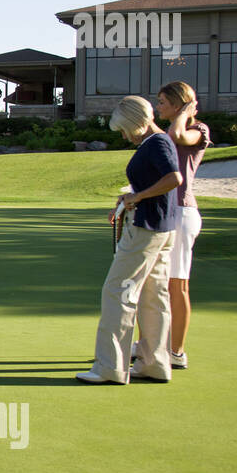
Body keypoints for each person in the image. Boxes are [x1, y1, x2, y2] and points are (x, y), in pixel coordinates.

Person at [77, 95, 183, 385]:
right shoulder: (157, 142)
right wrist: (129, 198)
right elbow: (156, 182)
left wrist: (137, 196)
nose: (124, 136)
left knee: (118, 292)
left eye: (124, 130)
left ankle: (110, 367)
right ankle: (153, 364)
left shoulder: (157, 142)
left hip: (147, 230)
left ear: (137, 122)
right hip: (161, 227)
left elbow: (174, 178)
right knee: (153, 296)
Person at [132, 81, 210, 372]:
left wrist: (186, 113)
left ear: (179, 104)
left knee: (177, 284)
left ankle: (176, 351)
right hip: (162, 211)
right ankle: (148, 345)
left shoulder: (198, 130)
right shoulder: (163, 134)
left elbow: (179, 135)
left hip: (182, 213)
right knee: (152, 285)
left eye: (164, 101)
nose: (159, 105)